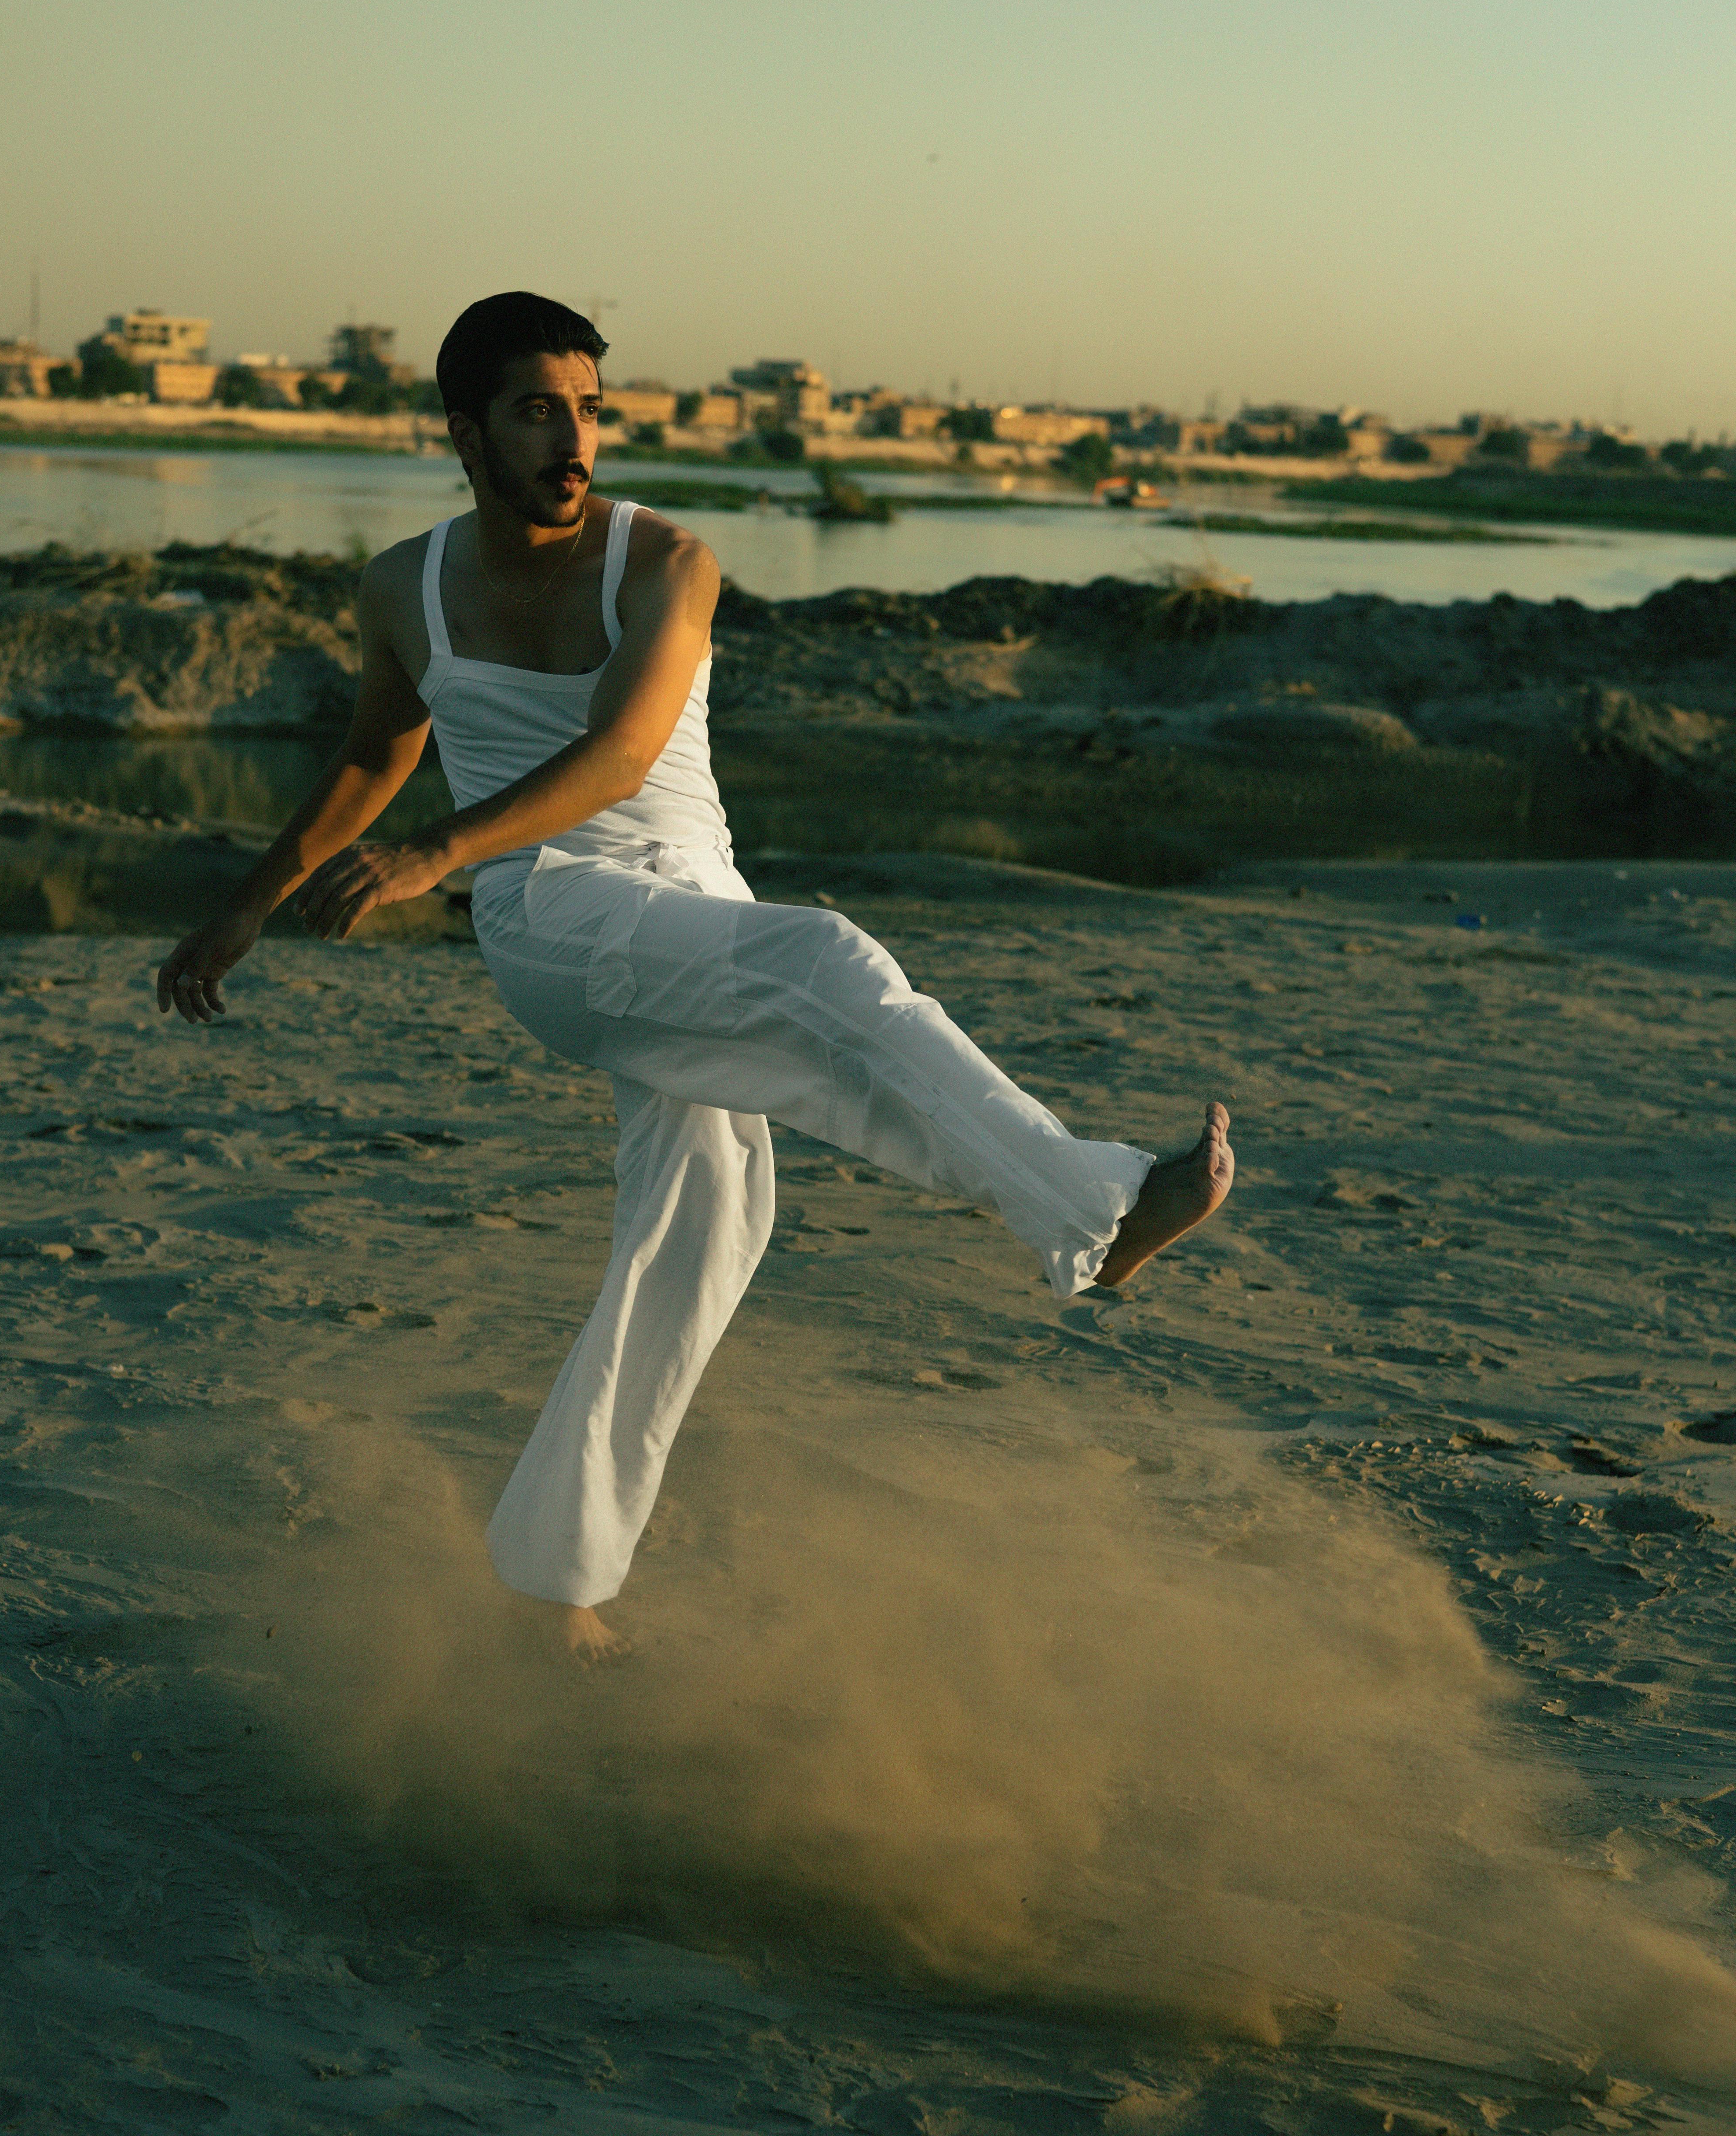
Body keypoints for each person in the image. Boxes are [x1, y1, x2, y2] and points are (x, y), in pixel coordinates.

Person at [157, 293, 1233, 1663]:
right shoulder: (404, 587)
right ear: (466, 429)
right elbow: (374, 757)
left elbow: (620, 754)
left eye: (591, 409)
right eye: (540, 410)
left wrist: (430, 854)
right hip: (552, 918)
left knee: (706, 1219)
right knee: (831, 960)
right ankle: (1095, 1207)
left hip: (692, 908)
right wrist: (247, 908)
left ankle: (553, 1583)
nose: (574, 441)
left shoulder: (667, 563)